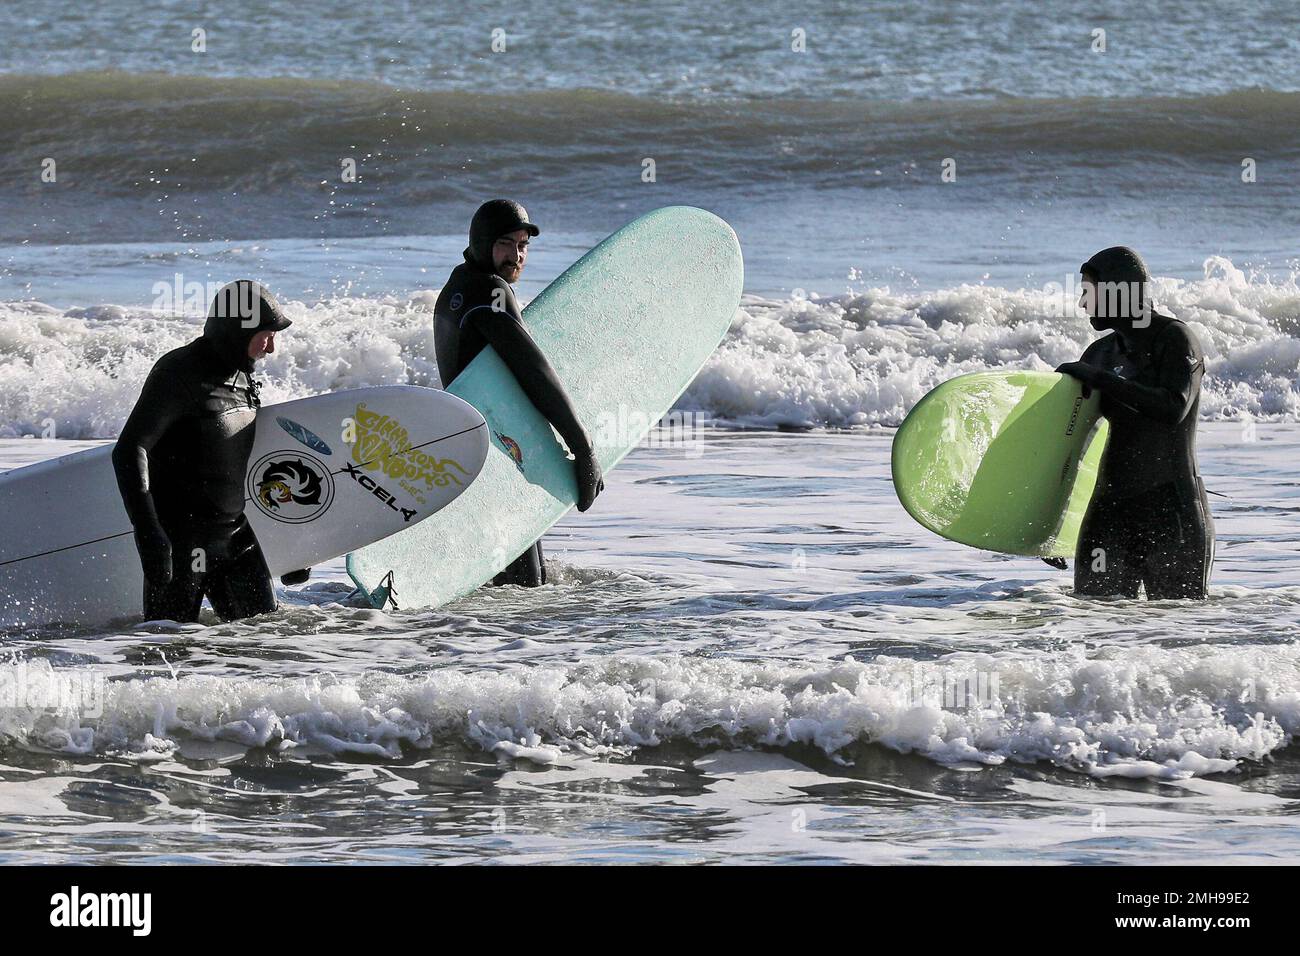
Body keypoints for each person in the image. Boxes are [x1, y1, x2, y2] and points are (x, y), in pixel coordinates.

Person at [433, 199, 603, 587]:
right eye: (506, 244)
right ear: (482, 242)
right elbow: (534, 371)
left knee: (511, 579)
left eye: (524, 245)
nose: (517, 255)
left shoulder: (458, 283)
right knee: (525, 586)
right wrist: (583, 447)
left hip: (475, 447)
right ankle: (519, 648)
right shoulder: (490, 291)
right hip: (501, 451)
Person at [112, 279, 295, 622]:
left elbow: (241, 464)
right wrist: (148, 534)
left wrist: (296, 546)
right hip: (181, 543)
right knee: (167, 655)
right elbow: (130, 448)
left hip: (236, 536)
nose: (271, 348)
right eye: (266, 334)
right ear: (239, 330)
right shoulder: (179, 373)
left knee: (265, 644)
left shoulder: (243, 378)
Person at [1055, 246, 1214, 599]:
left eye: (1088, 293)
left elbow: (1174, 406)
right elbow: (1071, 446)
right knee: (1094, 622)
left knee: (1178, 634)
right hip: (1109, 516)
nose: (1082, 304)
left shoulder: (1175, 339)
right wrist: (1052, 525)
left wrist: (1101, 379)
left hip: (1172, 514)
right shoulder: (1099, 355)